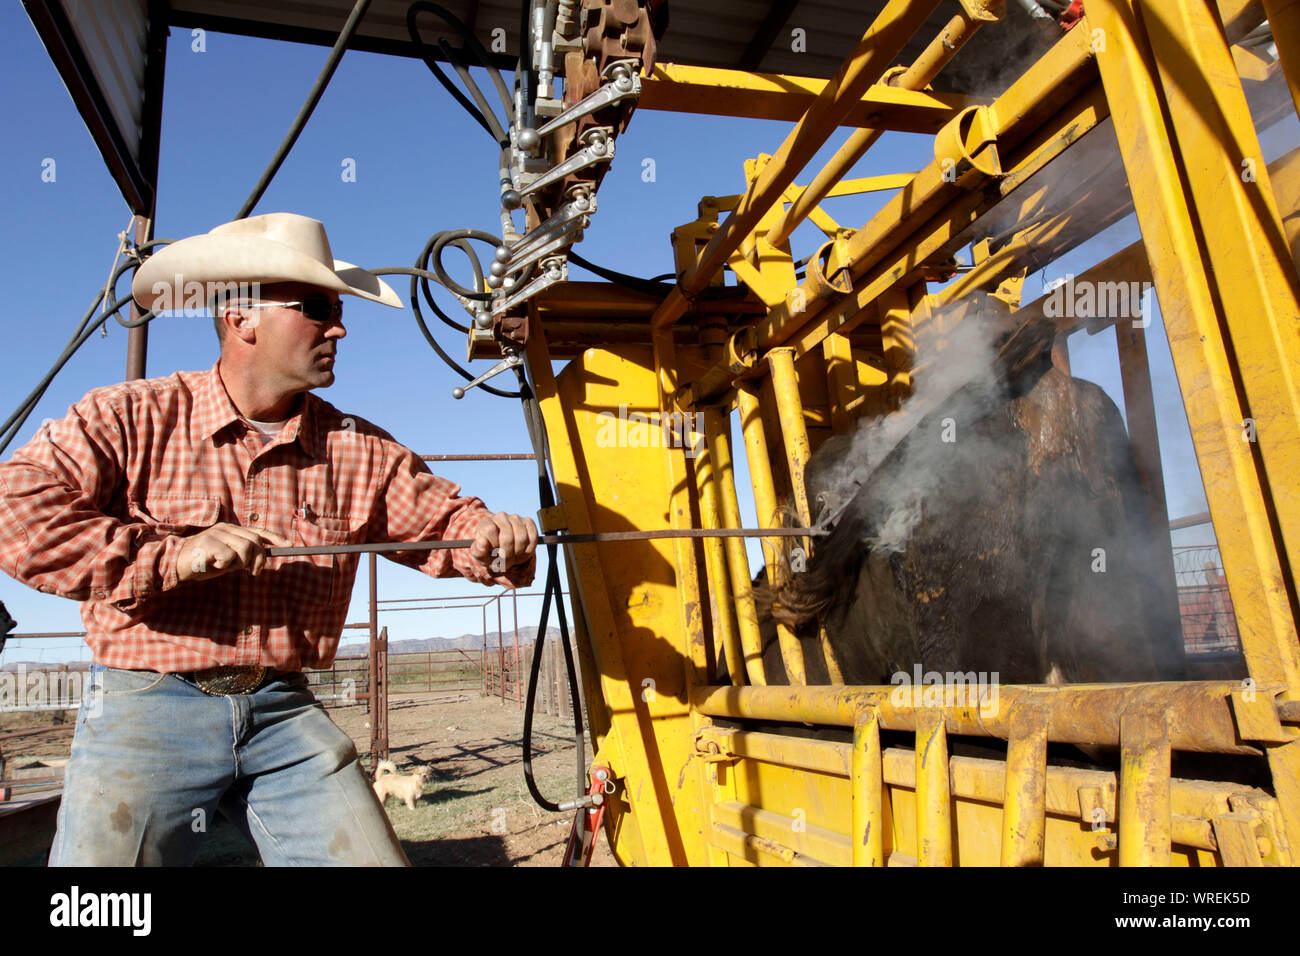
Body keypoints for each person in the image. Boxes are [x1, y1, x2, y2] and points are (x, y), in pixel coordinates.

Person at [0, 213, 537, 865]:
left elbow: (445, 525)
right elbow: (15, 508)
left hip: (283, 710)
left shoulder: (359, 450)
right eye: (316, 308)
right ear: (243, 318)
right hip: (145, 708)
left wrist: (491, 538)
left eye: (338, 311)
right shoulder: (129, 416)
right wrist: (166, 556)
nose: (338, 327)